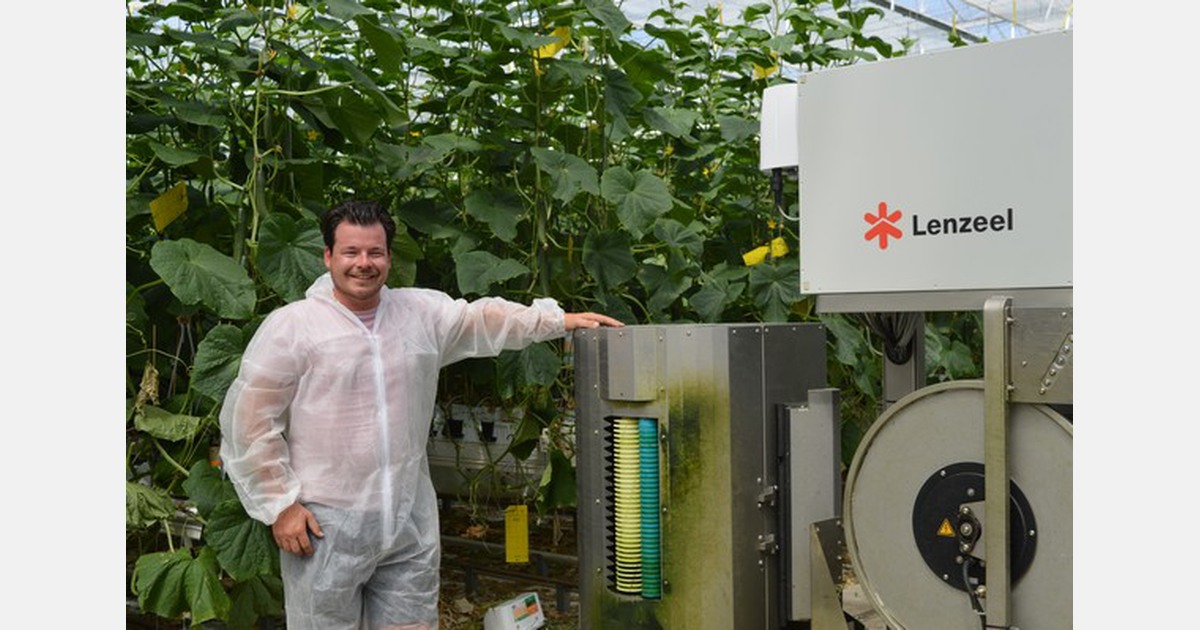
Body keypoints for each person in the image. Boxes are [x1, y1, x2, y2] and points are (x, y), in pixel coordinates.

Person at [219, 199, 622, 630]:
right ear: (328, 256)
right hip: (326, 525)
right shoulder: (293, 327)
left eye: (375, 252)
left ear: (389, 257)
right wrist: (280, 506)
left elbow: (484, 319)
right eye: (351, 252)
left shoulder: (418, 314)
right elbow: (251, 420)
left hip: (409, 520)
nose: (364, 263)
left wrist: (559, 320)